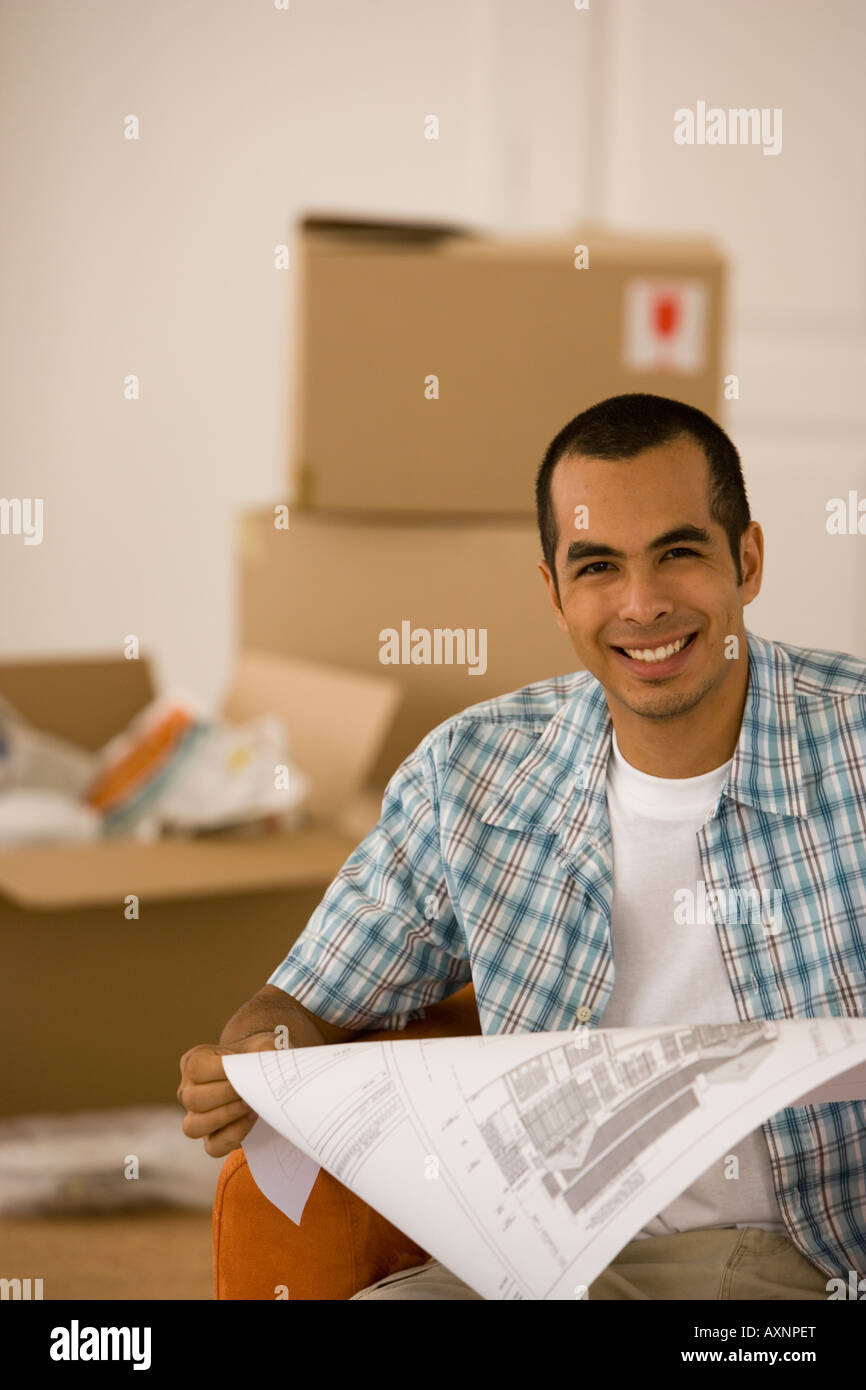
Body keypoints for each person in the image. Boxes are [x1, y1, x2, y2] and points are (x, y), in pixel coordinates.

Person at [178, 393, 865, 1299]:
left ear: (747, 559)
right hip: (535, 1265)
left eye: (679, 553)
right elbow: (298, 1003)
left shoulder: (852, 748)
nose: (642, 604)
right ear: (554, 591)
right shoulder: (472, 773)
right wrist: (257, 1054)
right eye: (598, 568)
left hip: (799, 1266)